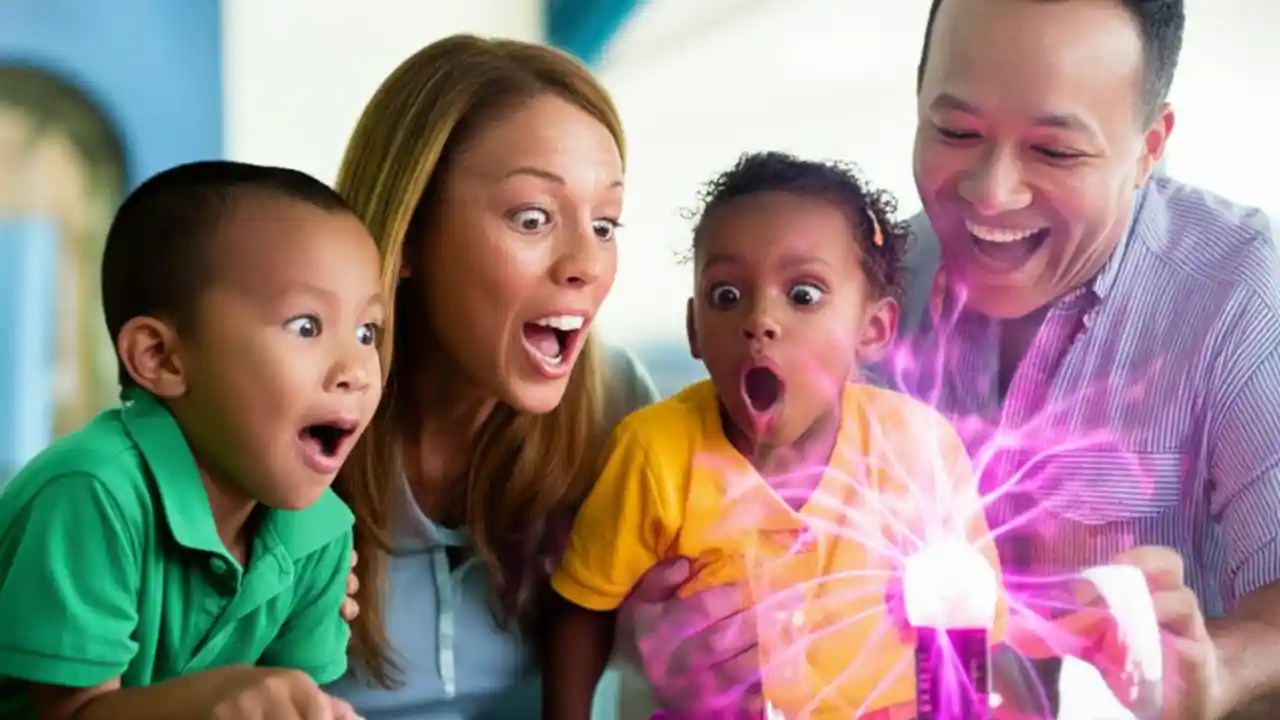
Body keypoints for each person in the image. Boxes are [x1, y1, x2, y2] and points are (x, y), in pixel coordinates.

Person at [324, 35, 736, 719]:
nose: (586, 262)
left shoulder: (618, 408)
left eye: (605, 223)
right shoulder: (284, 415)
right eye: (533, 218)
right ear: (408, 238)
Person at [545, 152, 1005, 719]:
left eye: (804, 294)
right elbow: (581, 610)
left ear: (874, 328)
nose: (760, 319)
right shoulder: (654, 454)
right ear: (694, 329)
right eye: (726, 295)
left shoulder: (920, 449)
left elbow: (975, 617)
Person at [0, 160, 384, 719]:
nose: (357, 368)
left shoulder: (321, 532)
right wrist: (216, 700)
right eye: (306, 326)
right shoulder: (92, 494)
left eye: (367, 331)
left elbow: (298, 702)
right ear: (161, 357)